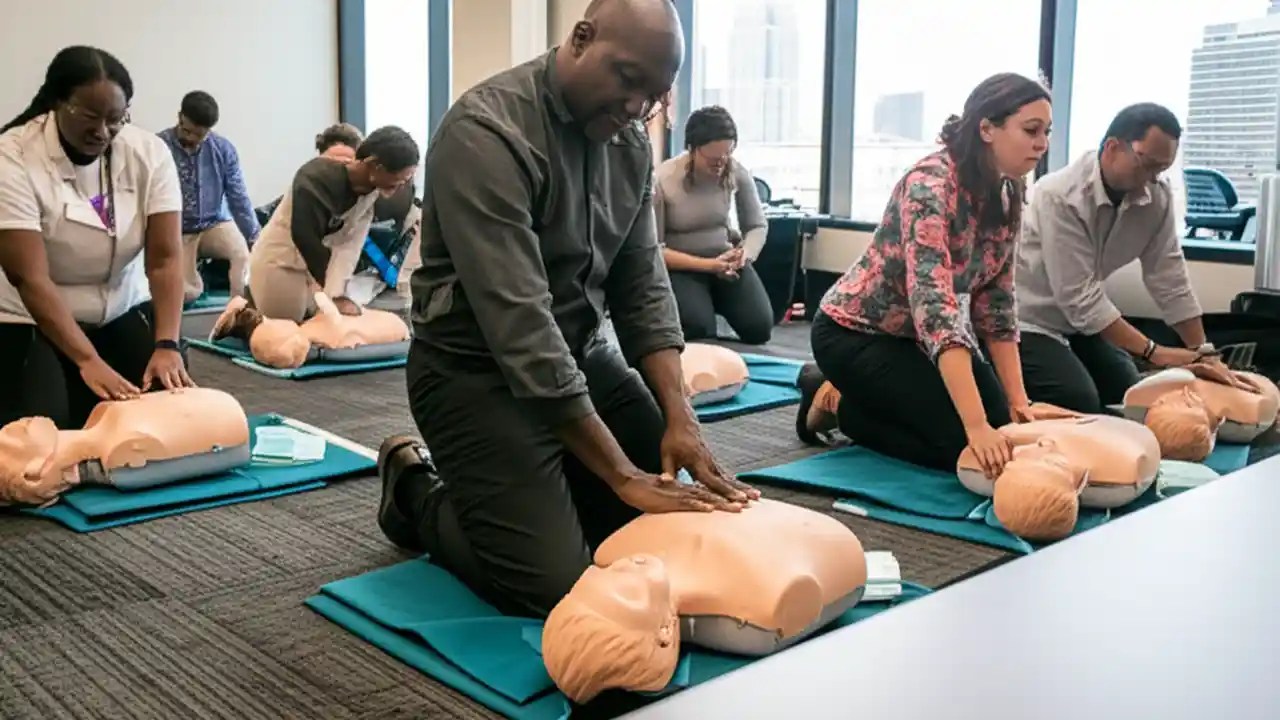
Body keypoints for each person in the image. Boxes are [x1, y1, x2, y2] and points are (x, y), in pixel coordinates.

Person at [377, 0, 757, 619]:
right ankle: (416, 493)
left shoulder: (629, 144)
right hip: (475, 375)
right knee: (556, 585)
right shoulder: (487, 133)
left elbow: (642, 287)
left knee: (662, 517)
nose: (637, 108)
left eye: (654, 96)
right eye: (628, 81)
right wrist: (619, 473)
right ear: (581, 39)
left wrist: (679, 416)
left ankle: (538, 496)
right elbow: (521, 328)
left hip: (583, 359)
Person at [796, 73, 1052, 478]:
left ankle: (864, 396)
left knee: (1002, 427)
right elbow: (935, 307)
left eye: (1047, 132)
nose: (1042, 144)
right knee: (958, 443)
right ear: (987, 128)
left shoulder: (1009, 191)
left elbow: (997, 302)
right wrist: (974, 426)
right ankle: (830, 399)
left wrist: (1018, 403)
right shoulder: (930, 185)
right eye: (1031, 130)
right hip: (857, 334)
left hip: (919, 338)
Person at [0, 45, 194, 430]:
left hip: (117, 305)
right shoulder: (12, 157)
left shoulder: (149, 153)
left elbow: (165, 259)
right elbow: (30, 278)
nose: (102, 131)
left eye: (115, 119)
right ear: (58, 102)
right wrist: (87, 360)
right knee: (42, 430)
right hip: (27, 316)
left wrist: (167, 345)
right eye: (90, 116)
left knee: (168, 405)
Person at [1016, 103, 1214, 414]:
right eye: (1147, 165)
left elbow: (1169, 276)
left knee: (1128, 391)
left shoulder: (1156, 198)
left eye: (1162, 169)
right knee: (1078, 399)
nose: (1153, 179)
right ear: (1112, 147)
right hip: (1029, 321)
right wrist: (1153, 351)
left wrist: (1202, 352)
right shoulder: (1059, 195)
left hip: (1081, 326)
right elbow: (1079, 297)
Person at [246, 125, 418, 322]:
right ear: (375, 166)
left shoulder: (372, 191)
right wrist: (329, 296)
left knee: (330, 320)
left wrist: (336, 293)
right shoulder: (315, 179)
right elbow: (306, 239)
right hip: (280, 261)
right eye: (400, 178)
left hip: (316, 268)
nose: (403, 184)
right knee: (286, 327)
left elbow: (349, 247)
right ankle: (240, 318)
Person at [655, 105, 772, 344]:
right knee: (698, 330)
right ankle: (700, 305)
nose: (720, 164)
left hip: (725, 262)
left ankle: (715, 300)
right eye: (712, 160)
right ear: (692, 149)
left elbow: (757, 226)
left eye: (726, 155)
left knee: (759, 329)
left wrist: (744, 255)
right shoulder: (663, 179)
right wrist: (709, 266)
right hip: (683, 267)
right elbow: (655, 249)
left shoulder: (735, 171)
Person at [158, 91, 260, 303]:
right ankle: (194, 278)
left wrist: (256, 238)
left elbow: (238, 197)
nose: (192, 139)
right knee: (186, 293)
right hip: (177, 229)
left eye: (199, 135)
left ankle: (238, 313)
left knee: (241, 254)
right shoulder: (158, 147)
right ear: (179, 117)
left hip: (214, 223)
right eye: (187, 131)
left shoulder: (223, 149)